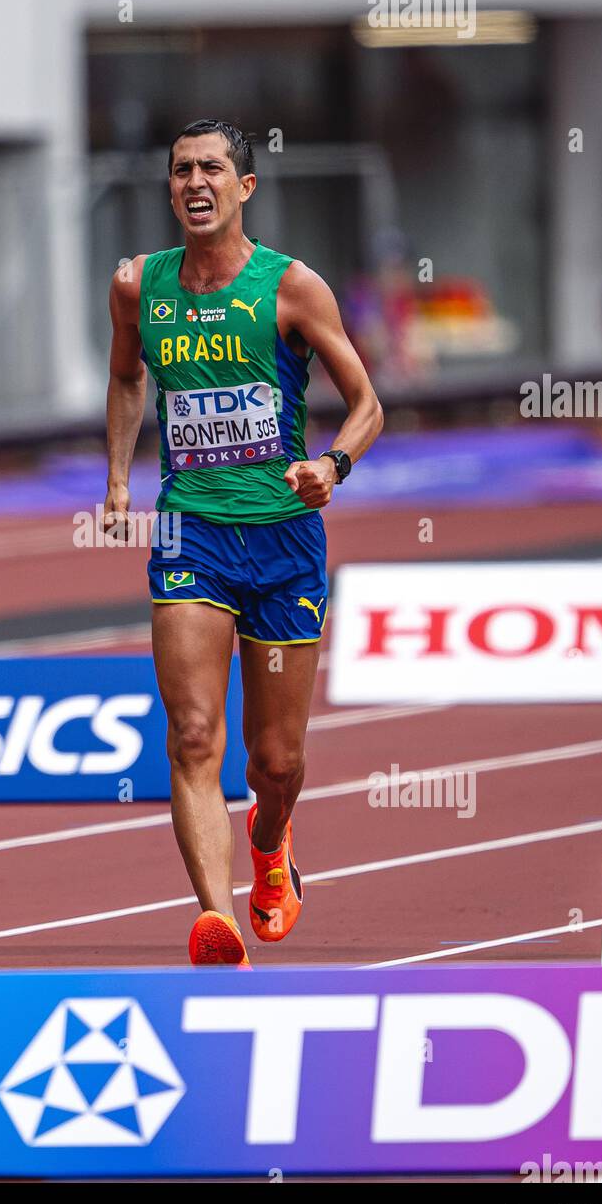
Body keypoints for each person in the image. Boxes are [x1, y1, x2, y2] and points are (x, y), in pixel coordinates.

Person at [104, 119, 383, 965]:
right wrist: (118, 481)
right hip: (190, 532)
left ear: (244, 187)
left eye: (212, 169)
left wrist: (330, 466)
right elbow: (125, 378)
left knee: (276, 762)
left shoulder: (292, 288)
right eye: (181, 169)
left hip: (284, 541)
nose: (194, 181)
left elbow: (369, 405)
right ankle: (214, 917)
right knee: (192, 734)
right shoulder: (135, 286)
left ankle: (272, 845)